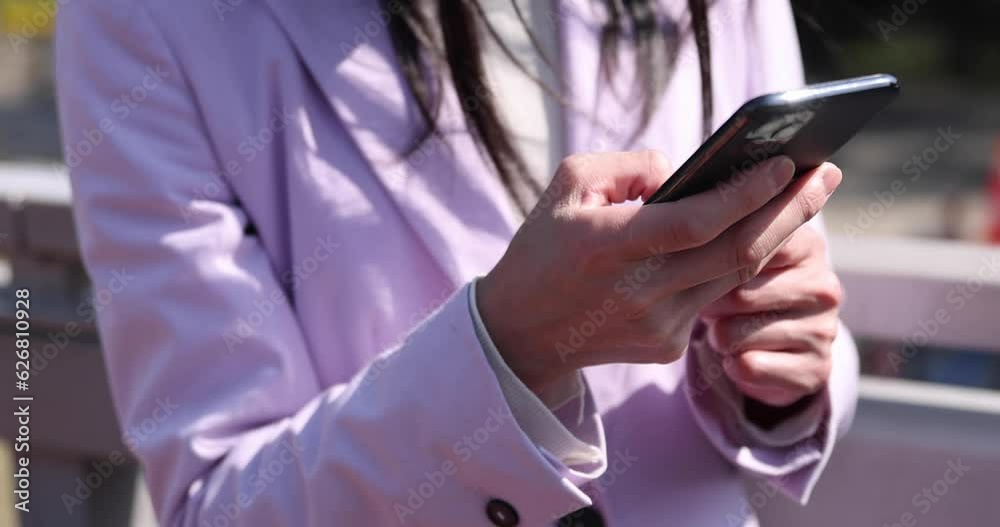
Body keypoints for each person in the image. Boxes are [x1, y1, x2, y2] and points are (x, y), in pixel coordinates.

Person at [55, 0, 858, 525]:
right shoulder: (145, 19)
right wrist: (512, 350)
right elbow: (216, 505)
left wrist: (779, 366)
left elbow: (789, 282)